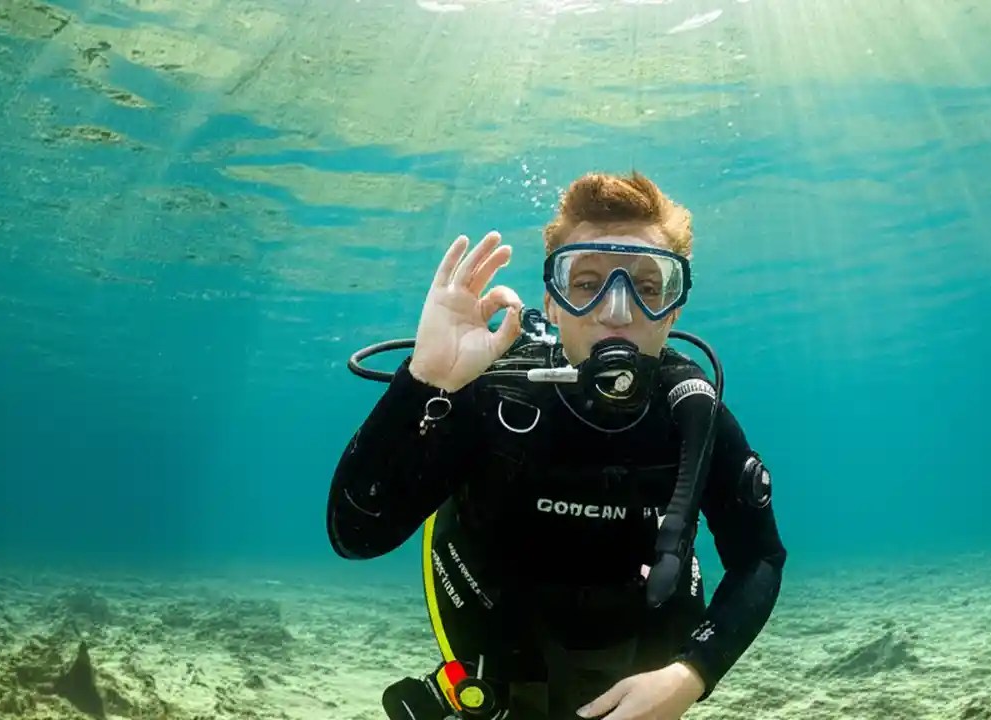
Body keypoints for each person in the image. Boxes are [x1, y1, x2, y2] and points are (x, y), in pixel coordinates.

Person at [327, 171, 787, 720]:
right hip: (495, 671)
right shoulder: (494, 397)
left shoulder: (692, 414)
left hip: (645, 676)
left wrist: (690, 675)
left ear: (676, 305)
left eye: (646, 287)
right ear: (553, 297)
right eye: (587, 283)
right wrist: (424, 380)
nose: (617, 312)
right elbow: (356, 535)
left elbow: (758, 556)